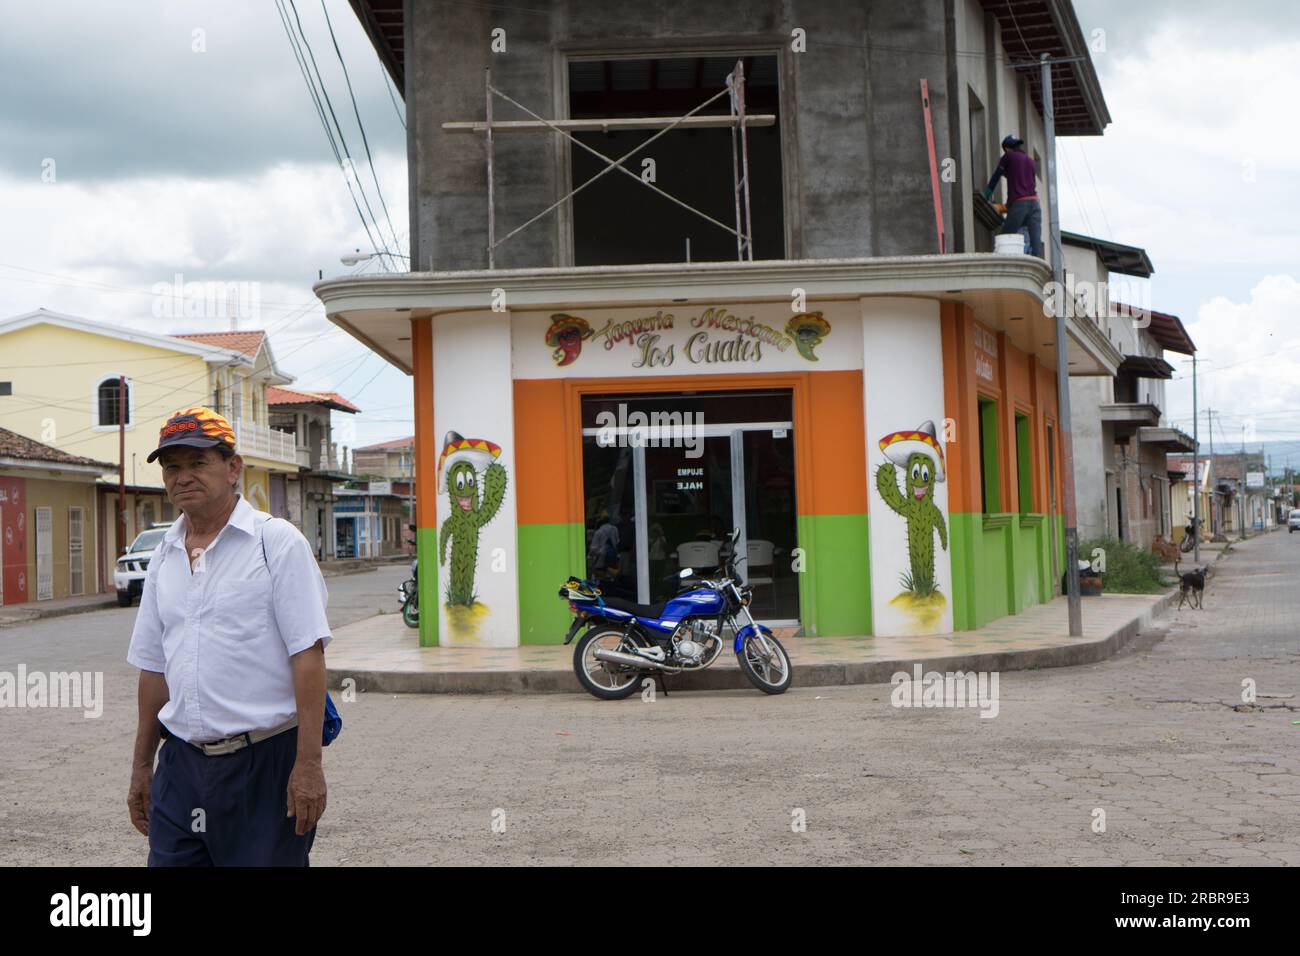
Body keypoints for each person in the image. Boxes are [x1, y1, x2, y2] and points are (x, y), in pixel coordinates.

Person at [125, 407, 332, 866]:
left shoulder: (276, 543)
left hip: (264, 764)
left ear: (233, 467)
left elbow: (308, 656)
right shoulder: (163, 556)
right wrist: (142, 767)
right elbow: (153, 668)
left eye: (198, 462)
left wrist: (308, 764)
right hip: (181, 766)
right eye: (172, 467)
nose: (183, 477)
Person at [983, 134, 1043, 258]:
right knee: (1035, 244)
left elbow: (996, 176)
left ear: (1006, 148)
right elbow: (1025, 188)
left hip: (1020, 205)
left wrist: (987, 195)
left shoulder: (1008, 156)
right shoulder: (1030, 161)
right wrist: (1007, 207)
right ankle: (1035, 264)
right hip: (1035, 204)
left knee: (1006, 238)